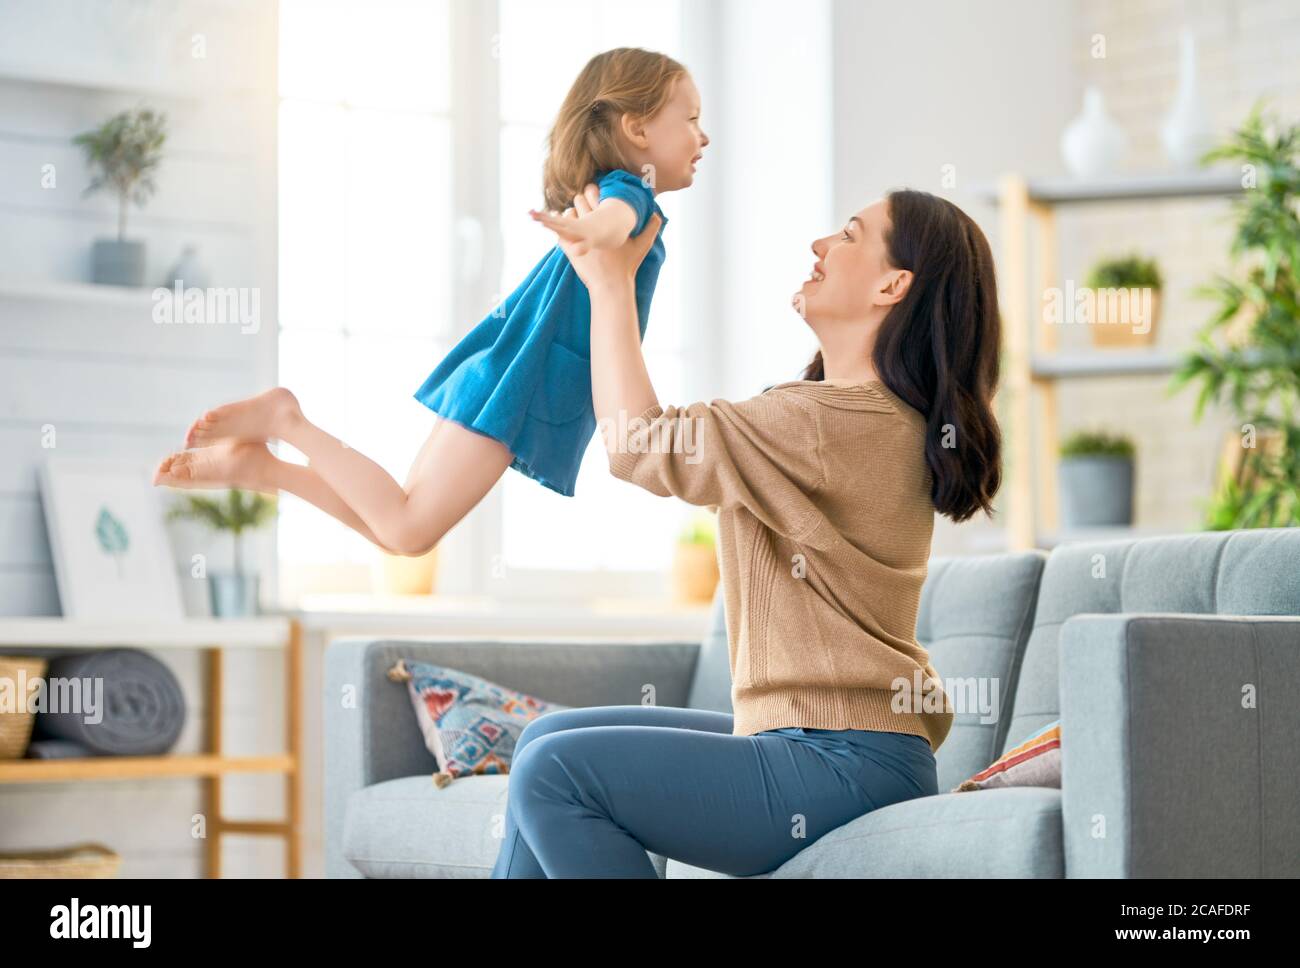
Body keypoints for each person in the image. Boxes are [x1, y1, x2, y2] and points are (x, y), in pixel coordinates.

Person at [491, 186, 1003, 878]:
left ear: (894, 283)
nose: (821, 246)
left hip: (840, 762)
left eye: (849, 235)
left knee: (558, 770)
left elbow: (638, 443)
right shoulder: (851, 421)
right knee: (545, 742)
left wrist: (611, 287)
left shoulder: (832, 422)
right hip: (838, 749)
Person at [151, 48, 709, 555]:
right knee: (407, 528)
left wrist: (589, 231)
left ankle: (263, 466)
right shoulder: (629, 193)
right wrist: (593, 232)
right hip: (516, 387)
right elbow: (616, 219)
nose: (702, 137)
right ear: (636, 128)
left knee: (400, 526)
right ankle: (287, 422)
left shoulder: (625, 195)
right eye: (690, 120)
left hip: (508, 380)